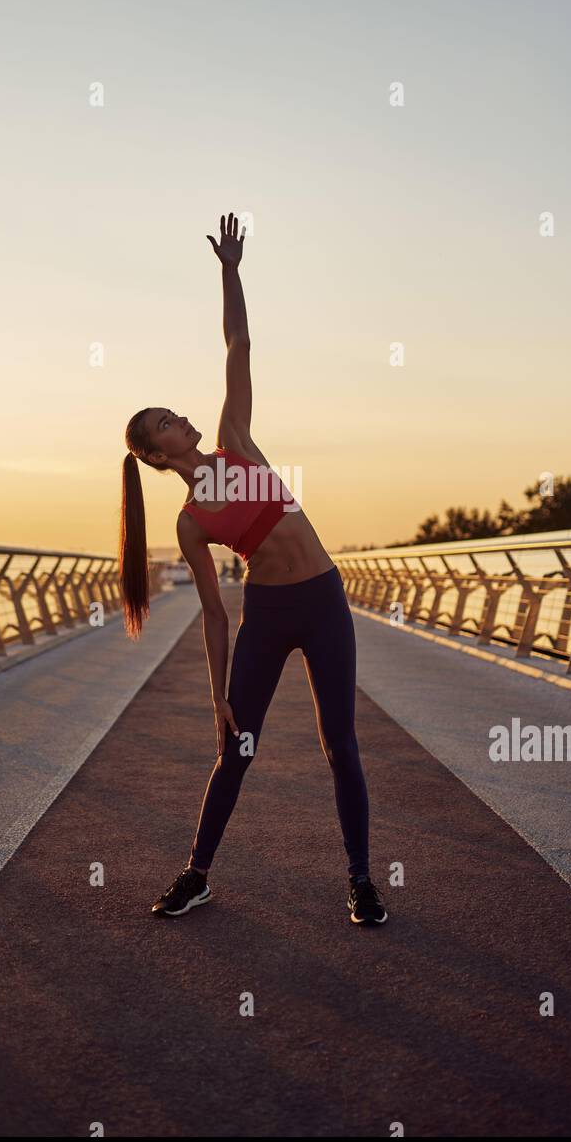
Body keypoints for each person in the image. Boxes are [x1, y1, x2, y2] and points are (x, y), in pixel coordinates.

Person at [119, 212, 386, 926]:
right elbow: (212, 613)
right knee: (237, 748)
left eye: (175, 411)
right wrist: (217, 698)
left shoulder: (235, 439)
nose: (181, 418)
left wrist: (229, 270)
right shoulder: (188, 522)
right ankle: (196, 874)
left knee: (341, 745)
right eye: (167, 422)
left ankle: (360, 880)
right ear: (154, 454)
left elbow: (238, 344)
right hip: (266, 616)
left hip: (323, 598)